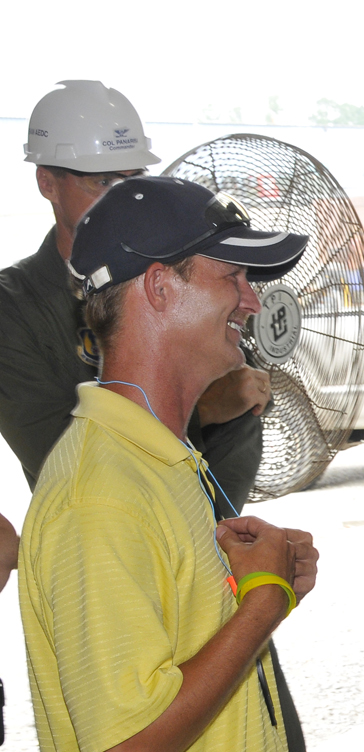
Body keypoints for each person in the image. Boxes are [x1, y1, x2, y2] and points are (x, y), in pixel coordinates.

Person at [0, 82, 331, 752]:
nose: (253, 302)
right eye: (232, 277)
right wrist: (262, 601)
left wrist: (252, 582)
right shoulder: (97, 496)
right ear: (157, 288)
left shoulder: (164, 461)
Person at [0, 81, 269, 510]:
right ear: (47, 183)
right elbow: (56, 456)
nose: (120, 197)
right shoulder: (14, 305)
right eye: (102, 181)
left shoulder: (178, 282)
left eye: (132, 179)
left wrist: (219, 538)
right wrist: (199, 413)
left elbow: (242, 409)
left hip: (196, 540)